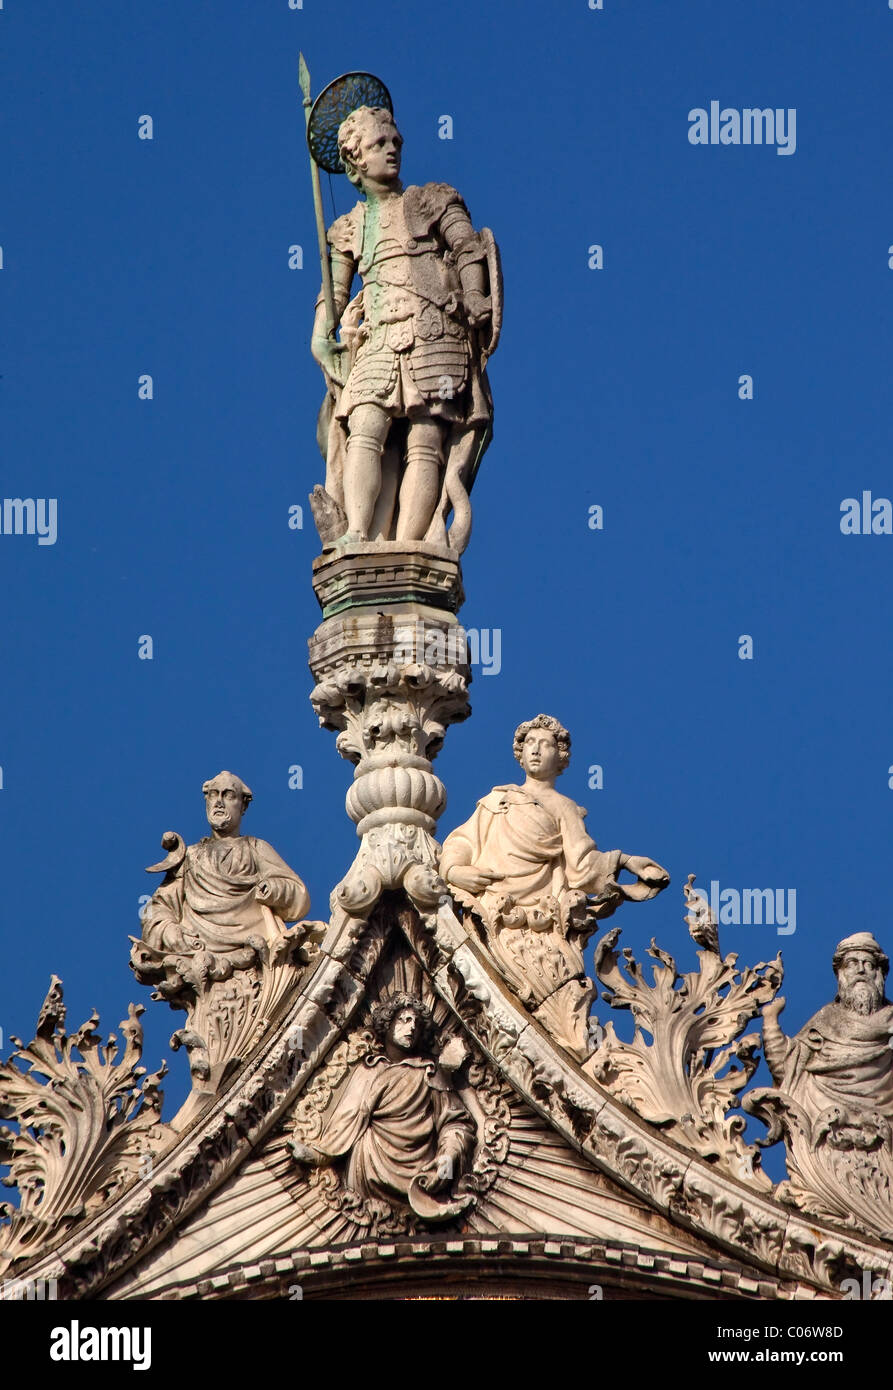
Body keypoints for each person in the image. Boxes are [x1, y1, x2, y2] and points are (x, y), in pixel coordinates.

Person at [311, 105, 498, 548]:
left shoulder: (432, 199)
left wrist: (473, 295)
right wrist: (321, 336)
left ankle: (411, 545)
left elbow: (469, 249)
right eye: (379, 144)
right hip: (377, 336)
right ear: (355, 160)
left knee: (425, 440)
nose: (392, 150)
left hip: (435, 334)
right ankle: (358, 531)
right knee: (365, 428)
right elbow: (334, 295)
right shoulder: (348, 227)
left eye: (395, 141)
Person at [439, 715, 669, 1058]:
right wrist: (455, 870)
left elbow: (583, 868)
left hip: (533, 926)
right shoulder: (498, 799)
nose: (535, 750)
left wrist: (625, 861)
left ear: (560, 758)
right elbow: (463, 839)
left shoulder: (563, 809)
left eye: (545, 744)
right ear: (519, 753)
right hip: (487, 910)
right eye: (529, 743)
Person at [290, 994, 475, 1214]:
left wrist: (447, 1159)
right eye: (404, 1020)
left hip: (420, 1174)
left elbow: (455, 1123)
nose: (412, 1027)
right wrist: (319, 1154)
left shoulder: (429, 1072)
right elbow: (348, 1120)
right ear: (387, 1023)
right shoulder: (367, 1071)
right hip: (366, 1170)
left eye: (416, 1023)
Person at [139, 771, 310, 960]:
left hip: (252, 946)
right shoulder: (189, 857)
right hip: (198, 951)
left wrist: (273, 889)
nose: (219, 802)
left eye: (228, 795)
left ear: (243, 805)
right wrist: (170, 931)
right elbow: (158, 907)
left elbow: (299, 895)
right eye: (213, 794)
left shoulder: (254, 848)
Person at [762, 932, 893, 1117]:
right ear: (841, 974)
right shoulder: (826, 1021)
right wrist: (770, 1021)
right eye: (852, 964)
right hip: (826, 1119)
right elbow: (787, 1066)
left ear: (879, 974)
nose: (861, 970)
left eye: (868, 964)